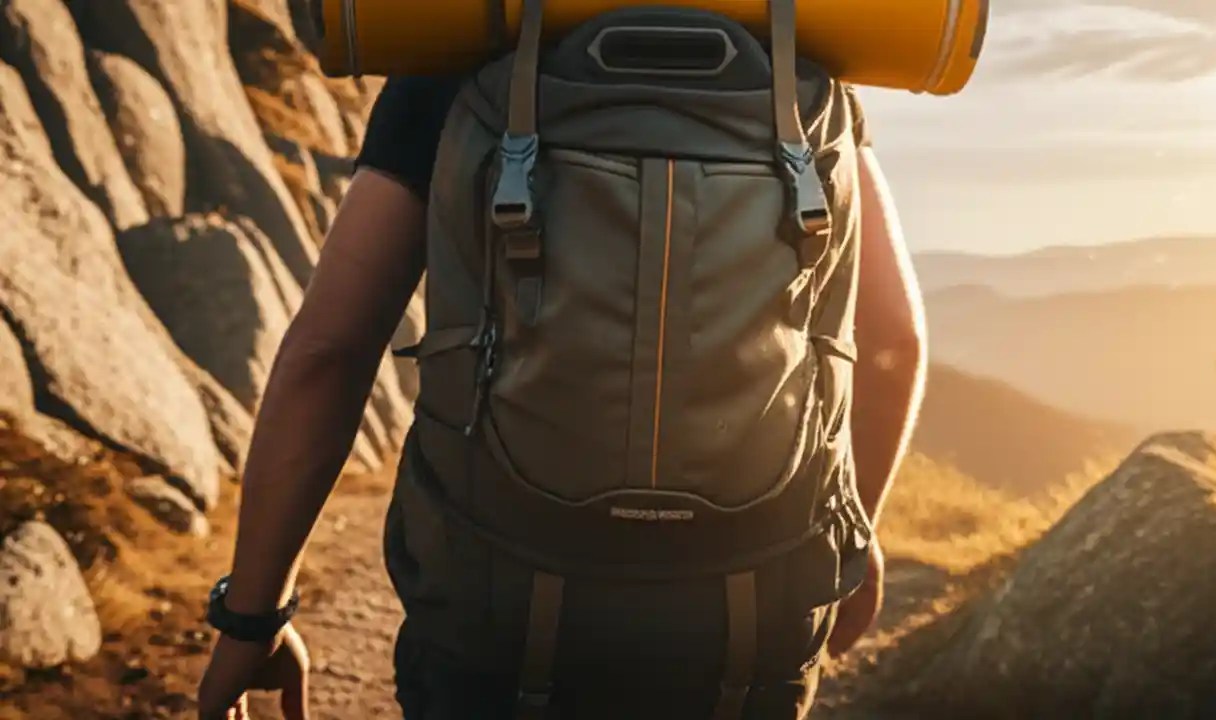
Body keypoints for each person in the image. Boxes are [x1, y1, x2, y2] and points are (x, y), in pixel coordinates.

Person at [197, 49, 926, 720]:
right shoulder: (795, 66)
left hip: (491, 616)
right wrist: (853, 535)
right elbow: (894, 344)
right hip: (748, 617)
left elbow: (331, 351)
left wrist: (253, 618)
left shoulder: (459, 55)